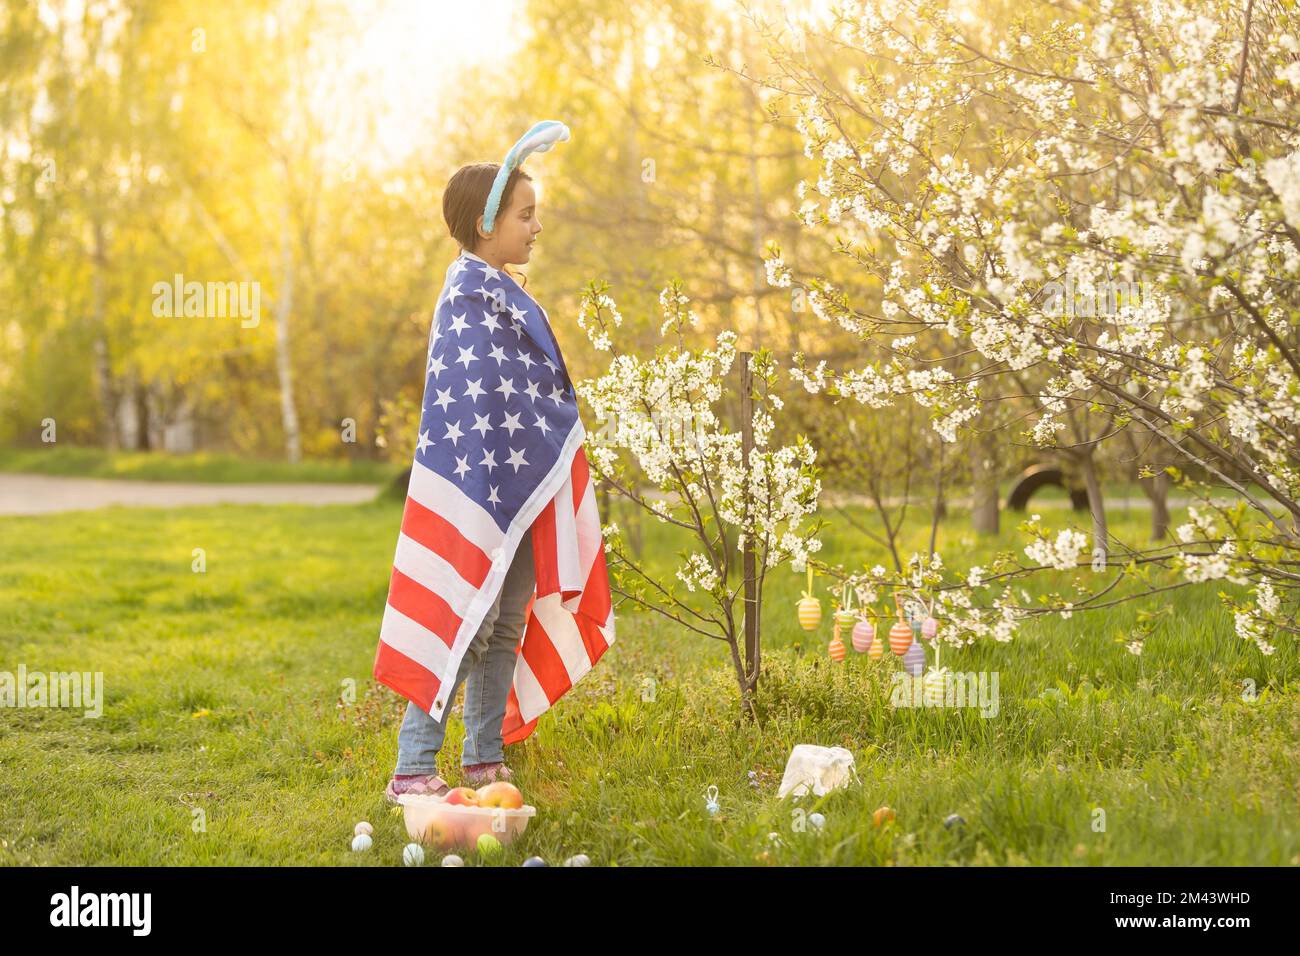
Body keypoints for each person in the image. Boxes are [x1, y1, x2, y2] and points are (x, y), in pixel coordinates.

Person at [384, 156, 549, 803]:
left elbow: (535, 389)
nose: (537, 227)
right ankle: (411, 766)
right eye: (525, 215)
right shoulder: (467, 297)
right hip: (479, 486)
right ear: (486, 223)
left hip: (522, 484)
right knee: (465, 620)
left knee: (507, 621)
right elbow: (472, 399)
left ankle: (483, 756)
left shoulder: (507, 292)